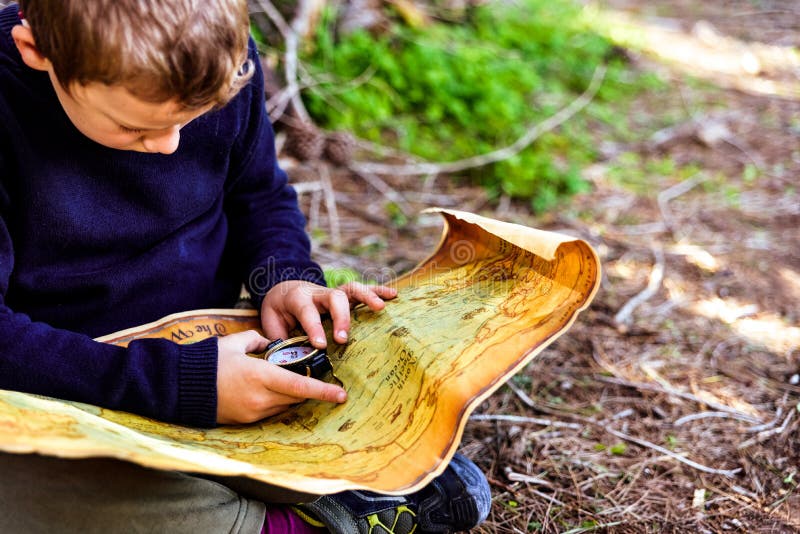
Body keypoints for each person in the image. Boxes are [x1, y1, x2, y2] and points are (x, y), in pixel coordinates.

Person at [0, 1, 491, 533]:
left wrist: (281, 277)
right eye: (134, 128)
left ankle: (328, 475)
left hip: (216, 346)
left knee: (349, 351)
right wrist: (181, 385)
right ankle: (289, 518)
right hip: (58, 379)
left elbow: (257, 195)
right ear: (36, 52)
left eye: (193, 119)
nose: (169, 147)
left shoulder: (217, 59)